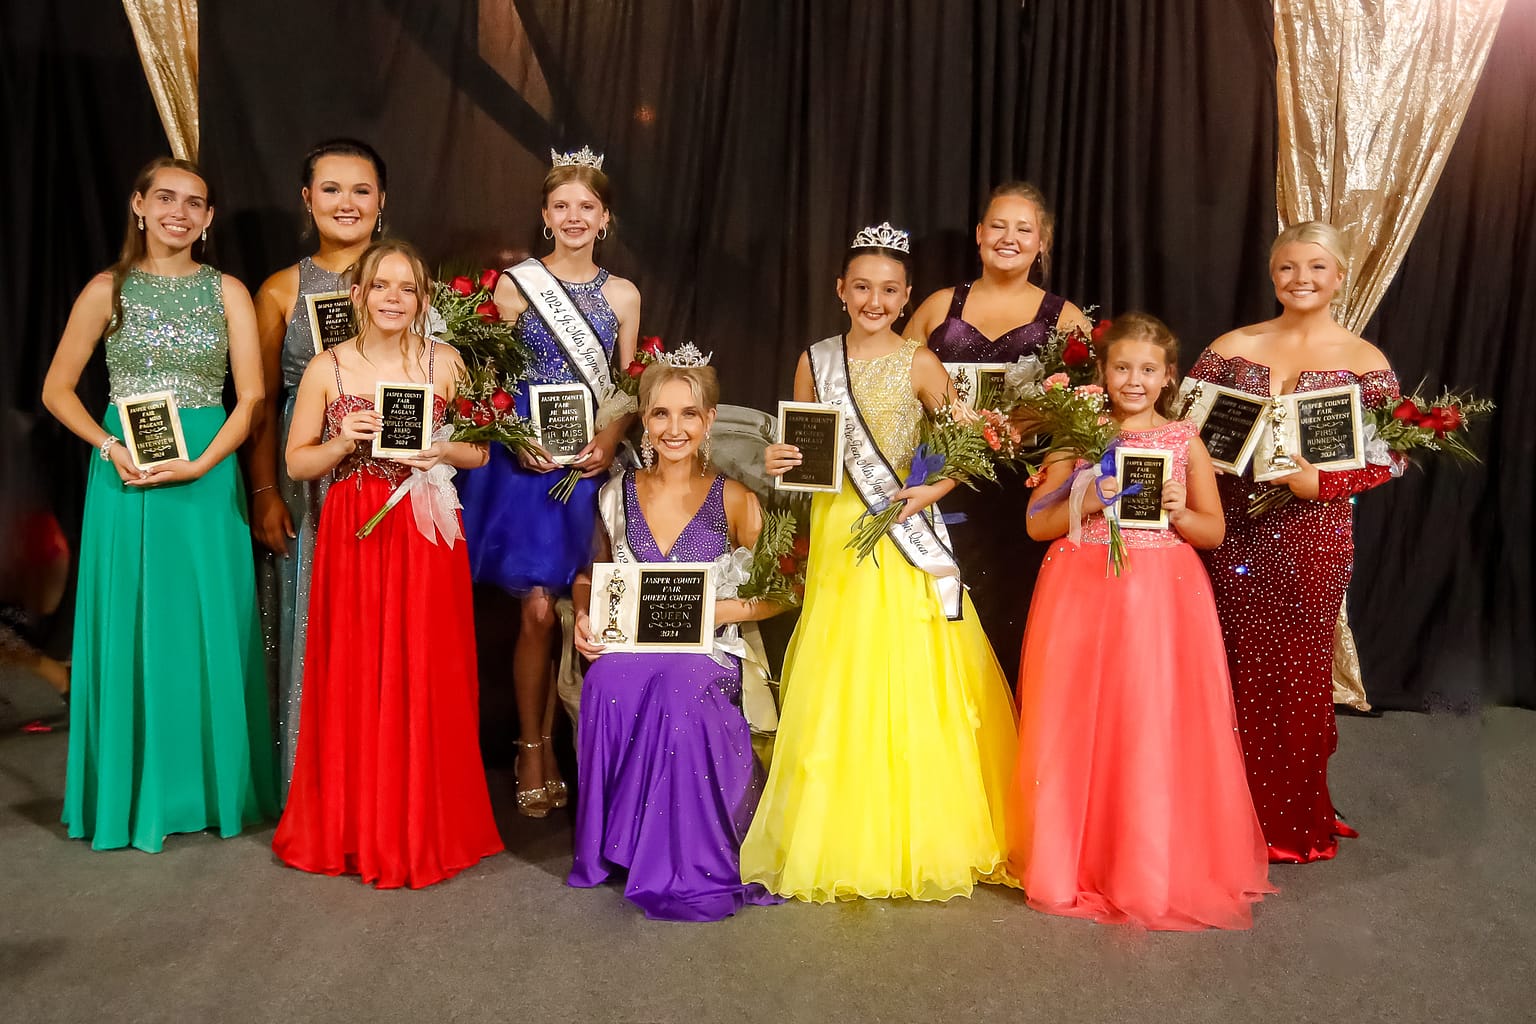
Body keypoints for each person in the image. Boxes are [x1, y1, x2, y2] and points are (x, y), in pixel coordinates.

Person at [739, 223, 1018, 902]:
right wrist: (778, 459)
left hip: (898, 529)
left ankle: (914, 829)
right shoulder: (814, 359)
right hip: (836, 527)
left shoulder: (921, 362)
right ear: (840, 290)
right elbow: (802, 446)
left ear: (906, 296)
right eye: (861, 286)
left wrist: (933, 489)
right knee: (840, 671)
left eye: (888, 289)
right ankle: (839, 825)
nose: (874, 299)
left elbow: (972, 443)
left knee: (902, 671)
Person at [1007, 313, 1273, 929]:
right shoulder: (1079, 436)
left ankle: (1143, 864)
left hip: (1159, 598)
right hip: (1080, 590)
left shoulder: (1185, 442)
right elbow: (1036, 524)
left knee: (1146, 722)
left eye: (1147, 370)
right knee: (1075, 721)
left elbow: (1214, 531)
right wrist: (1090, 497)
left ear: (1167, 377)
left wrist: (1180, 511)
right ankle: (1069, 858)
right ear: (1103, 372)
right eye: (1122, 367)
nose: (1133, 379)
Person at [41, 157, 276, 851]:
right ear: (139, 205)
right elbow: (58, 389)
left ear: (207, 219)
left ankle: (209, 789)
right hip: (127, 472)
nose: (179, 211)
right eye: (165, 198)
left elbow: (253, 397)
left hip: (206, 465)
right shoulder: (105, 289)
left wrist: (205, 461)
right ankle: (136, 789)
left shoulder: (227, 290)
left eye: (195, 203)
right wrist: (107, 445)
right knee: (135, 623)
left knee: (208, 622)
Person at [271, 240, 503, 888]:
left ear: (423, 299)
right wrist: (344, 440)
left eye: (407, 288)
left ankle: (422, 819)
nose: (394, 298)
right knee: (356, 669)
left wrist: (438, 450)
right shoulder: (328, 368)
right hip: (355, 530)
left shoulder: (447, 362)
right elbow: (296, 463)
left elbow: (480, 455)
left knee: (426, 666)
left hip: (425, 525)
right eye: (382, 286)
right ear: (359, 296)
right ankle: (356, 822)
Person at [1186, 221, 1402, 863]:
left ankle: (1285, 817)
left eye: (1315, 267)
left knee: (1296, 679)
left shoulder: (1365, 361)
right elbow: (1183, 430)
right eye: (1287, 267)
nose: (1300, 279)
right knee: (1224, 671)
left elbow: (1391, 457)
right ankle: (1216, 810)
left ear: (1340, 276)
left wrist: (1320, 480)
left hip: (1310, 540)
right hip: (1228, 536)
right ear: (1272, 274)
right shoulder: (1230, 347)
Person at [456, 148, 640, 817]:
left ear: (604, 218)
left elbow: (628, 387)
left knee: (594, 615)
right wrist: (512, 436)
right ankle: (532, 746)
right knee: (536, 612)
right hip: (526, 470)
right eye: (560, 205)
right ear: (543, 214)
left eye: (585, 207)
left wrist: (611, 439)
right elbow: (487, 383)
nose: (573, 216)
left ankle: (605, 753)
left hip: (589, 469)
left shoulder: (623, 295)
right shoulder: (514, 286)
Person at [568, 358, 783, 921]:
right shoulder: (615, 493)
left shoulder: (736, 498)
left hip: (707, 652)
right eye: (660, 413)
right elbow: (591, 573)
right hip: (632, 644)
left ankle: (683, 853)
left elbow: (785, 591)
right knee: (607, 681)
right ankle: (621, 847)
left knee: (678, 687)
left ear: (709, 421)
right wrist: (586, 619)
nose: (674, 428)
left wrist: (720, 611)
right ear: (643, 419)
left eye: (689, 414)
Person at [247, 138, 387, 794]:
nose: (347, 203)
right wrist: (265, 489)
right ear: (307, 199)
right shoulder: (281, 287)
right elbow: (263, 402)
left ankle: (379, 776)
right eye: (331, 189)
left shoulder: (407, 282)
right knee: (314, 624)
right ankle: (313, 783)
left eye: (361, 190)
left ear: (382, 201)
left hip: (389, 484)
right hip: (310, 482)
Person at [908, 183, 1092, 682]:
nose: (1009, 237)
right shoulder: (938, 306)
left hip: (1024, 494)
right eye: (998, 225)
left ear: (1042, 243)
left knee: (1014, 616)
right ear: (978, 234)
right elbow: (894, 389)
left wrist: (1032, 424)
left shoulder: (1066, 318)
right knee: (944, 613)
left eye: (1023, 228)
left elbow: (1090, 416)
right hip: (945, 489)